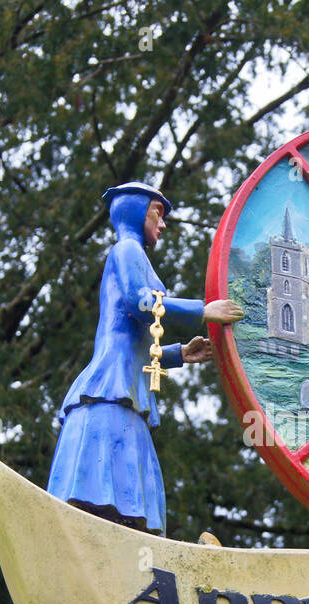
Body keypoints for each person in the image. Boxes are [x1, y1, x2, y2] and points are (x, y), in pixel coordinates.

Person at [46, 182, 242, 534]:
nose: (163, 223)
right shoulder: (127, 250)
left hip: (122, 393)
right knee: (108, 499)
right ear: (137, 212)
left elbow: (135, 345)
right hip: (111, 394)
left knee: (127, 501)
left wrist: (179, 353)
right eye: (157, 212)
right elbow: (140, 303)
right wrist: (203, 311)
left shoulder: (133, 253)